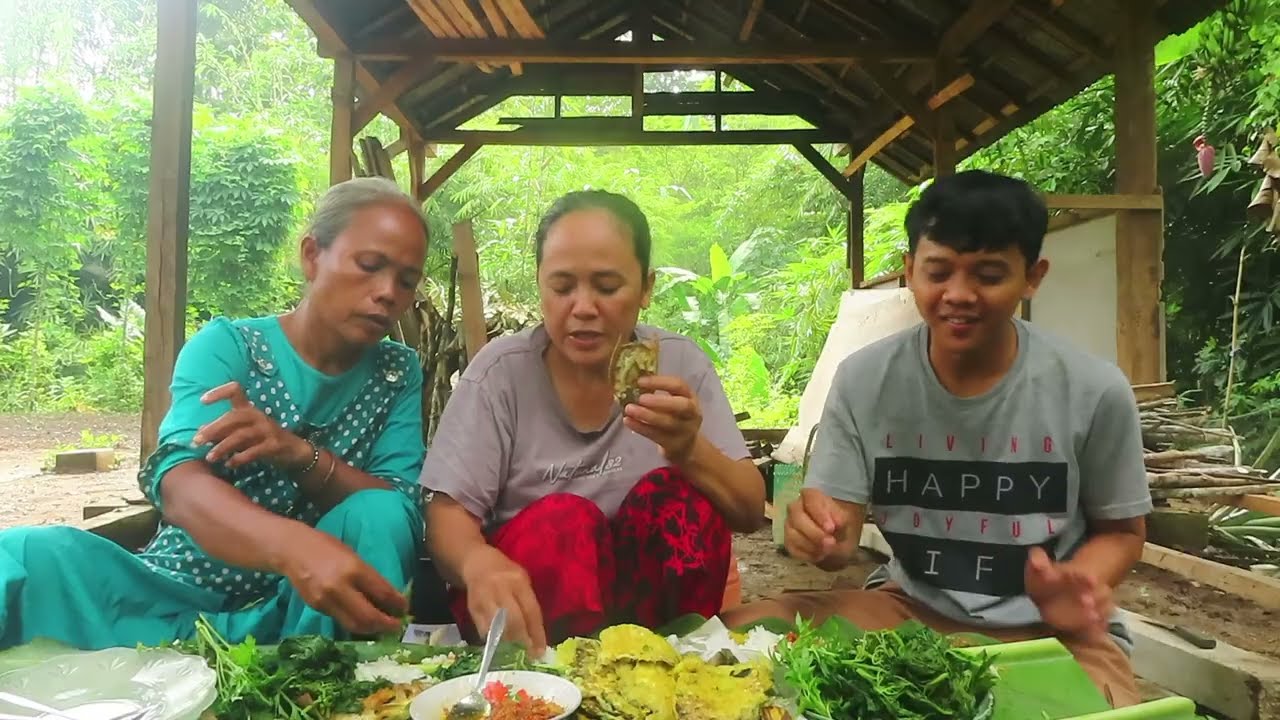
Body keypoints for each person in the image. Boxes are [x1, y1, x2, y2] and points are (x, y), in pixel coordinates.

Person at [722, 170, 1151, 708]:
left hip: (1054, 630)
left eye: (989, 275)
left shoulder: (1094, 389)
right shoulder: (864, 380)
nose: (959, 295)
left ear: (1033, 276)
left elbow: (1123, 531)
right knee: (731, 633)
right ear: (909, 271)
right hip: (911, 609)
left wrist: (1080, 583)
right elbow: (839, 529)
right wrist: (823, 539)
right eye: (938, 271)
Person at [0, 176, 428, 650]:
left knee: (381, 510)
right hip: (173, 599)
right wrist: (292, 547)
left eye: (406, 281)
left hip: (300, 617)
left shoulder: (396, 371)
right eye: (369, 266)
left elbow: (399, 505)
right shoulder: (231, 348)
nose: (388, 291)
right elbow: (179, 483)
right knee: (25, 555)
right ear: (312, 255)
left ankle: (323, 683)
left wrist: (298, 454)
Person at [421, 190, 765, 655]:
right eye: (562, 287)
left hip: (649, 618)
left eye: (606, 287)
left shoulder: (678, 366)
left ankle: (670, 669)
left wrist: (690, 451)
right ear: (540, 284)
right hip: (536, 615)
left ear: (646, 288)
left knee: (677, 501)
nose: (583, 307)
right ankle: (551, 685)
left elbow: (747, 511)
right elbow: (446, 517)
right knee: (566, 524)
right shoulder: (500, 375)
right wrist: (478, 562)